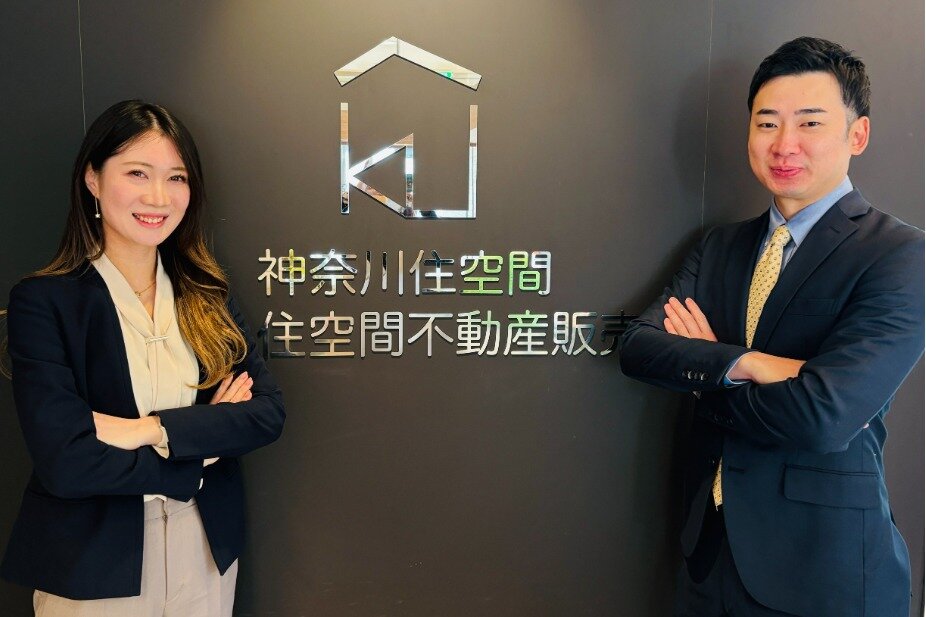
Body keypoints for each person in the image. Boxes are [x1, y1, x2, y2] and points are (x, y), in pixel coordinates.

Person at [619, 37, 924, 616]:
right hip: (708, 557)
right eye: (767, 123)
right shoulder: (720, 247)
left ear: (857, 134)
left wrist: (706, 373)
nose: (784, 144)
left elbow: (824, 415)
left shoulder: (900, 255)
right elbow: (638, 347)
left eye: (810, 122)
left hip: (824, 570)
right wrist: (750, 363)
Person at [0, 100, 285, 616]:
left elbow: (265, 413)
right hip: (92, 562)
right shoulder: (44, 302)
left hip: (205, 548)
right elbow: (65, 462)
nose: (159, 197)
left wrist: (148, 430)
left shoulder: (207, 293)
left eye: (177, 178)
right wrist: (196, 454)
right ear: (93, 178)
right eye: (137, 173)